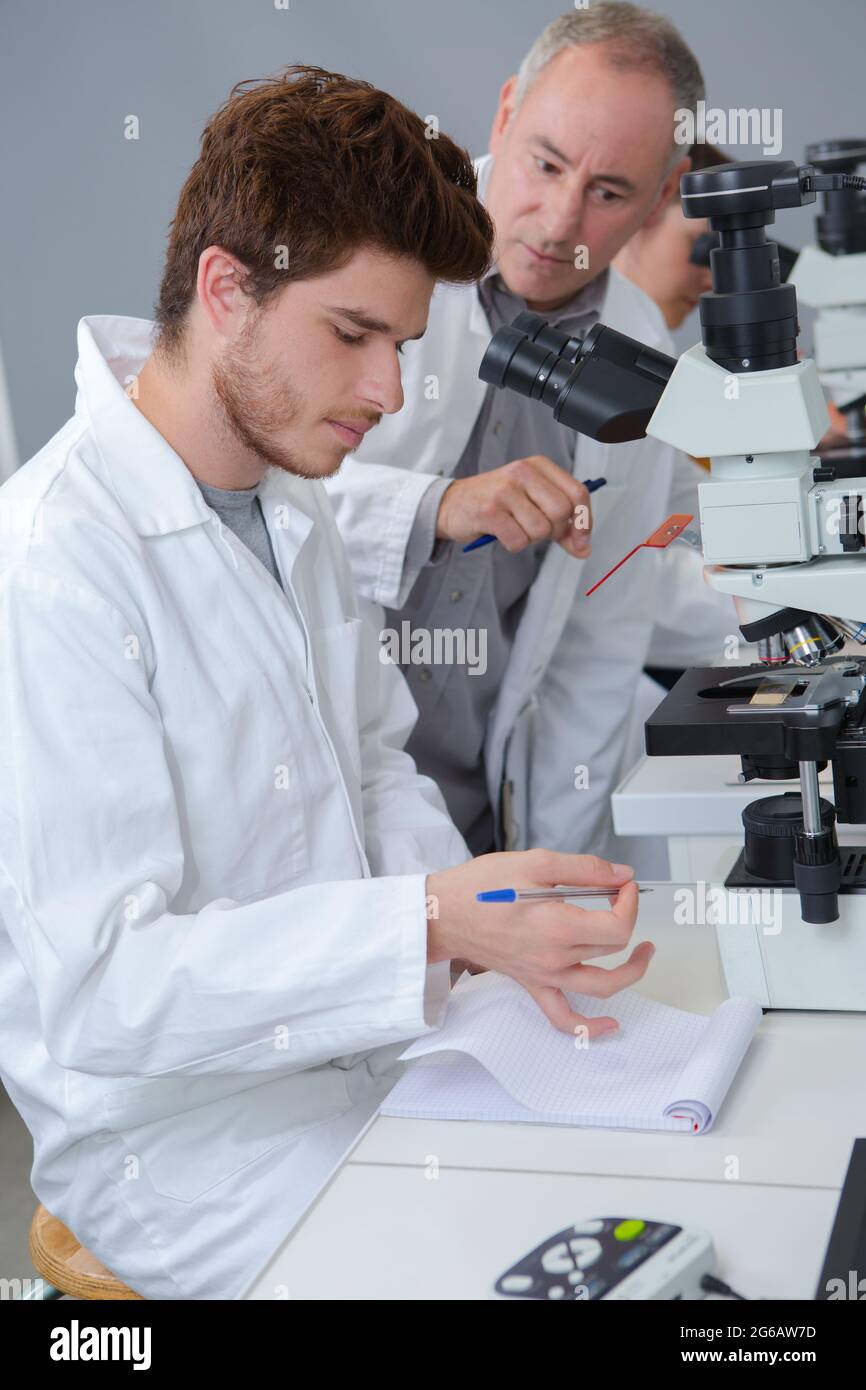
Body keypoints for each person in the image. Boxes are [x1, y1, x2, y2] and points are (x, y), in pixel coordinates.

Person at [0, 66, 652, 1302]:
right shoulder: (52, 563)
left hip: (369, 1056)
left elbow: (369, 764)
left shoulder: (286, 505)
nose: (386, 393)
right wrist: (424, 925)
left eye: (401, 346)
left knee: (621, 1212)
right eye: (351, 336)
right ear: (226, 287)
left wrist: (489, 908)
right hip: (187, 1143)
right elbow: (103, 990)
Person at [325, 4, 729, 863]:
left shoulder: (641, 353)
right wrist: (435, 507)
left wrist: (556, 874)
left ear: (663, 194)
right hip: (317, 780)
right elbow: (259, 497)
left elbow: (599, 647)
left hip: (477, 802)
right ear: (506, 113)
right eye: (544, 163)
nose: (556, 222)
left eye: (609, 192)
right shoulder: (364, 250)